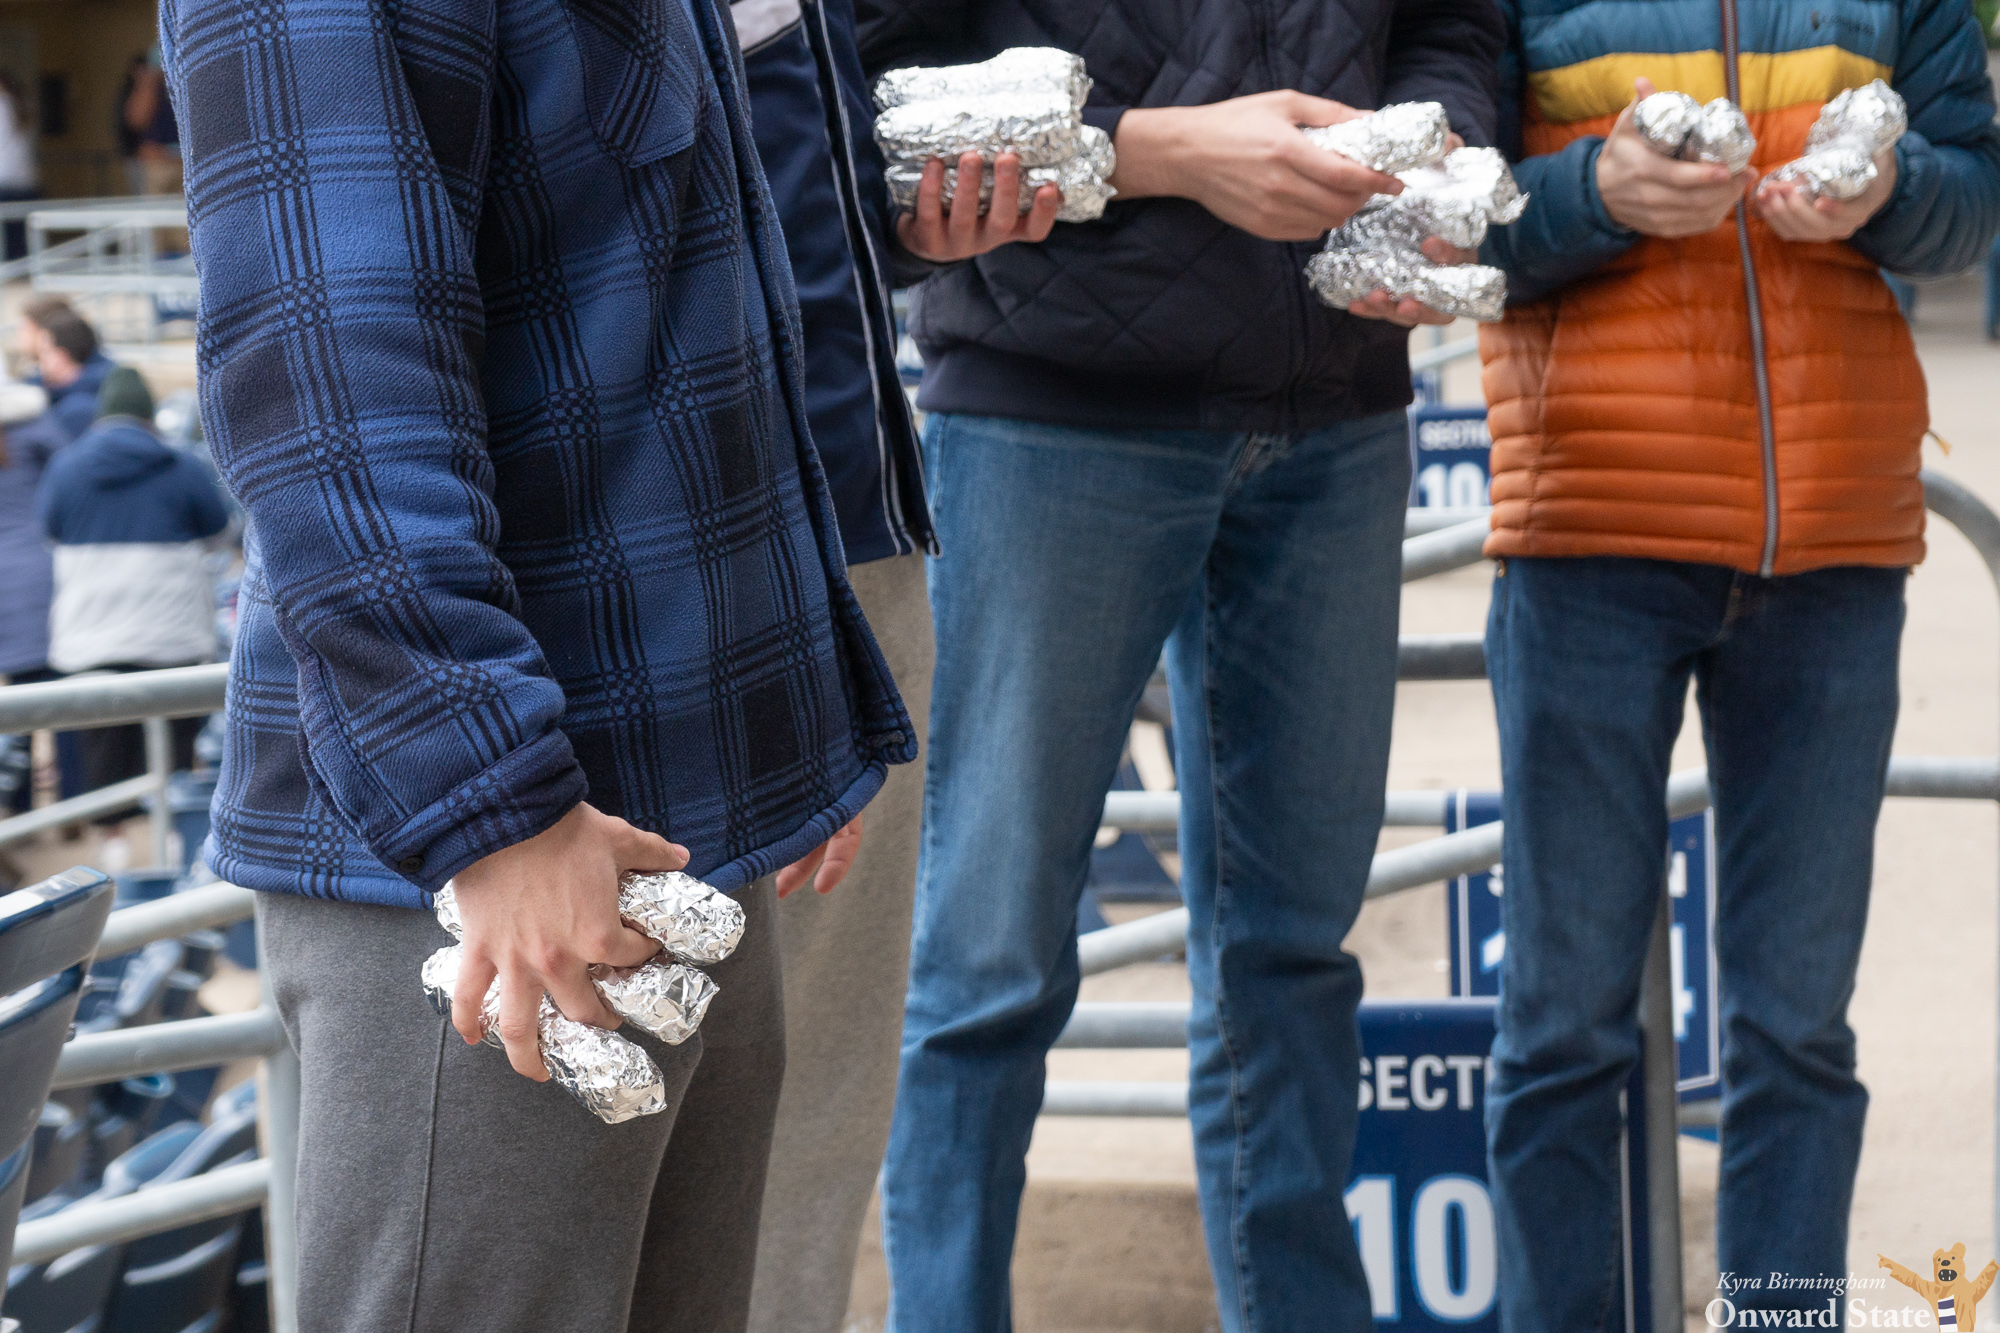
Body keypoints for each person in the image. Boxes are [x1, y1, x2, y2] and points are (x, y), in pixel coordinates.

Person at [163, 0, 914, 1326]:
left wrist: (804, 717)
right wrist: (491, 807)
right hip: (494, 854)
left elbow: (685, 295)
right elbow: (328, 371)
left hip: (679, 818)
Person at [856, 3, 1503, 1328]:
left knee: (1293, 963)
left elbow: (1455, 23)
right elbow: (858, 89)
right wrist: (1158, 151)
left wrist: (1436, 156)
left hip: (1337, 407)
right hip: (1054, 408)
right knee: (987, 966)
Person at [1474, 0, 2000, 1321]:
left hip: (1834, 540)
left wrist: (1888, 193)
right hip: (1591, 529)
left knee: (1796, 1036)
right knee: (1562, 1031)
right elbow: (1450, 216)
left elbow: (1972, 197)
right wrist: (1596, 192)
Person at [37, 368, 225, 797]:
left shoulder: (65, 468)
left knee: (104, 769)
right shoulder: (181, 465)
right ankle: (173, 846)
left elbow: (49, 534)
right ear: (148, 417)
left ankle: (113, 846)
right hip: (172, 636)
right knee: (175, 768)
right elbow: (219, 533)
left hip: (92, 635)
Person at [0, 378, 57, 815]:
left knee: (17, 708)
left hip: (12, 583)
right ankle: (71, 810)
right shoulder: (41, 426)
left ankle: (16, 815)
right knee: (60, 705)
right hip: (41, 576)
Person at [19, 297, 115, 441]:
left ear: (61, 356)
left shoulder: (79, 409)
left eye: (44, 352)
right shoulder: (50, 389)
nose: (41, 360)